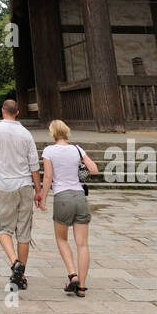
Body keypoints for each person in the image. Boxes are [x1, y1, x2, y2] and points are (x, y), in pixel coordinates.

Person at [0, 98, 41, 292]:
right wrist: (38, 190)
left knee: (1, 227)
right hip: (25, 185)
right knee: (23, 232)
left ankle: (15, 263)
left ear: (2, 111)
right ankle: (20, 277)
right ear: (18, 112)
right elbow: (34, 165)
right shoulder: (26, 134)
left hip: (4, 185)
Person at [39, 119, 99, 296]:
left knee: (62, 239)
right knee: (83, 244)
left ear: (52, 133)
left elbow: (48, 177)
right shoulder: (78, 149)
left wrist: (42, 198)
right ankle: (82, 287)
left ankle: (73, 275)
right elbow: (94, 169)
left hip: (62, 197)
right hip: (80, 196)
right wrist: (81, 164)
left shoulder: (49, 151)